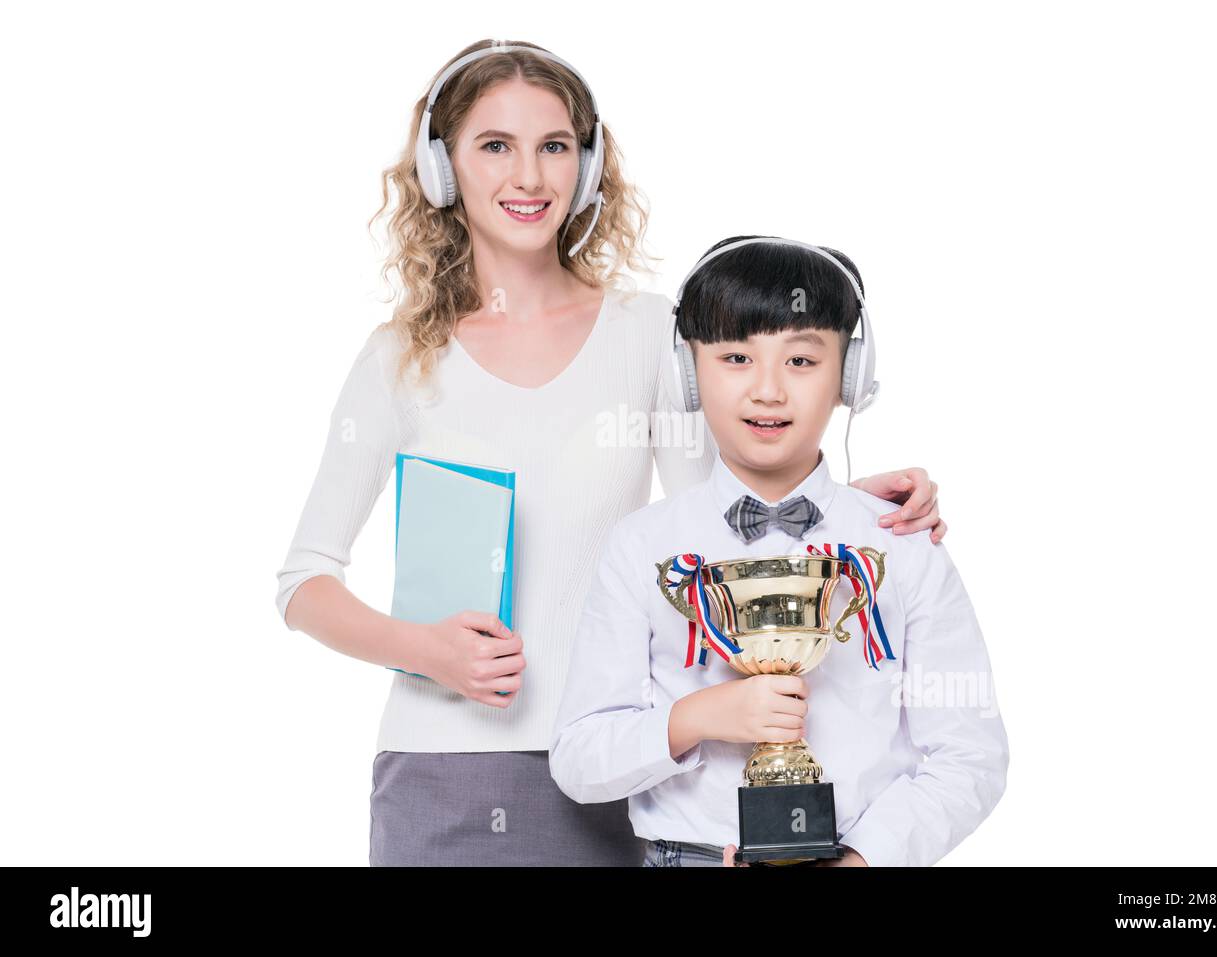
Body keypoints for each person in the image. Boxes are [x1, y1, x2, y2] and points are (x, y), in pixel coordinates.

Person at [275, 39, 948, 867]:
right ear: (444, 168)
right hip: (437, 768)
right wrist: (425, 649)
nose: (529, 177)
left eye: (554, 147)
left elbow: (721, 523)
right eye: (496, 147)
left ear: (587, 167)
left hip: (613, 768)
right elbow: (303, 580)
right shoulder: (399, 356)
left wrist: (854, 508)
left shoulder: (643, 334)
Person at [549, 236, 1009, 866]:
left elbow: (970, 754)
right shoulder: (642, 547)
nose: (767, 390)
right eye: (736, 358)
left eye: (801, 361)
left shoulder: (899, 542)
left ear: (850, 375)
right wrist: (698, 716)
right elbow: (579, 758)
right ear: (688, 373)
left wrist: (864, 858)